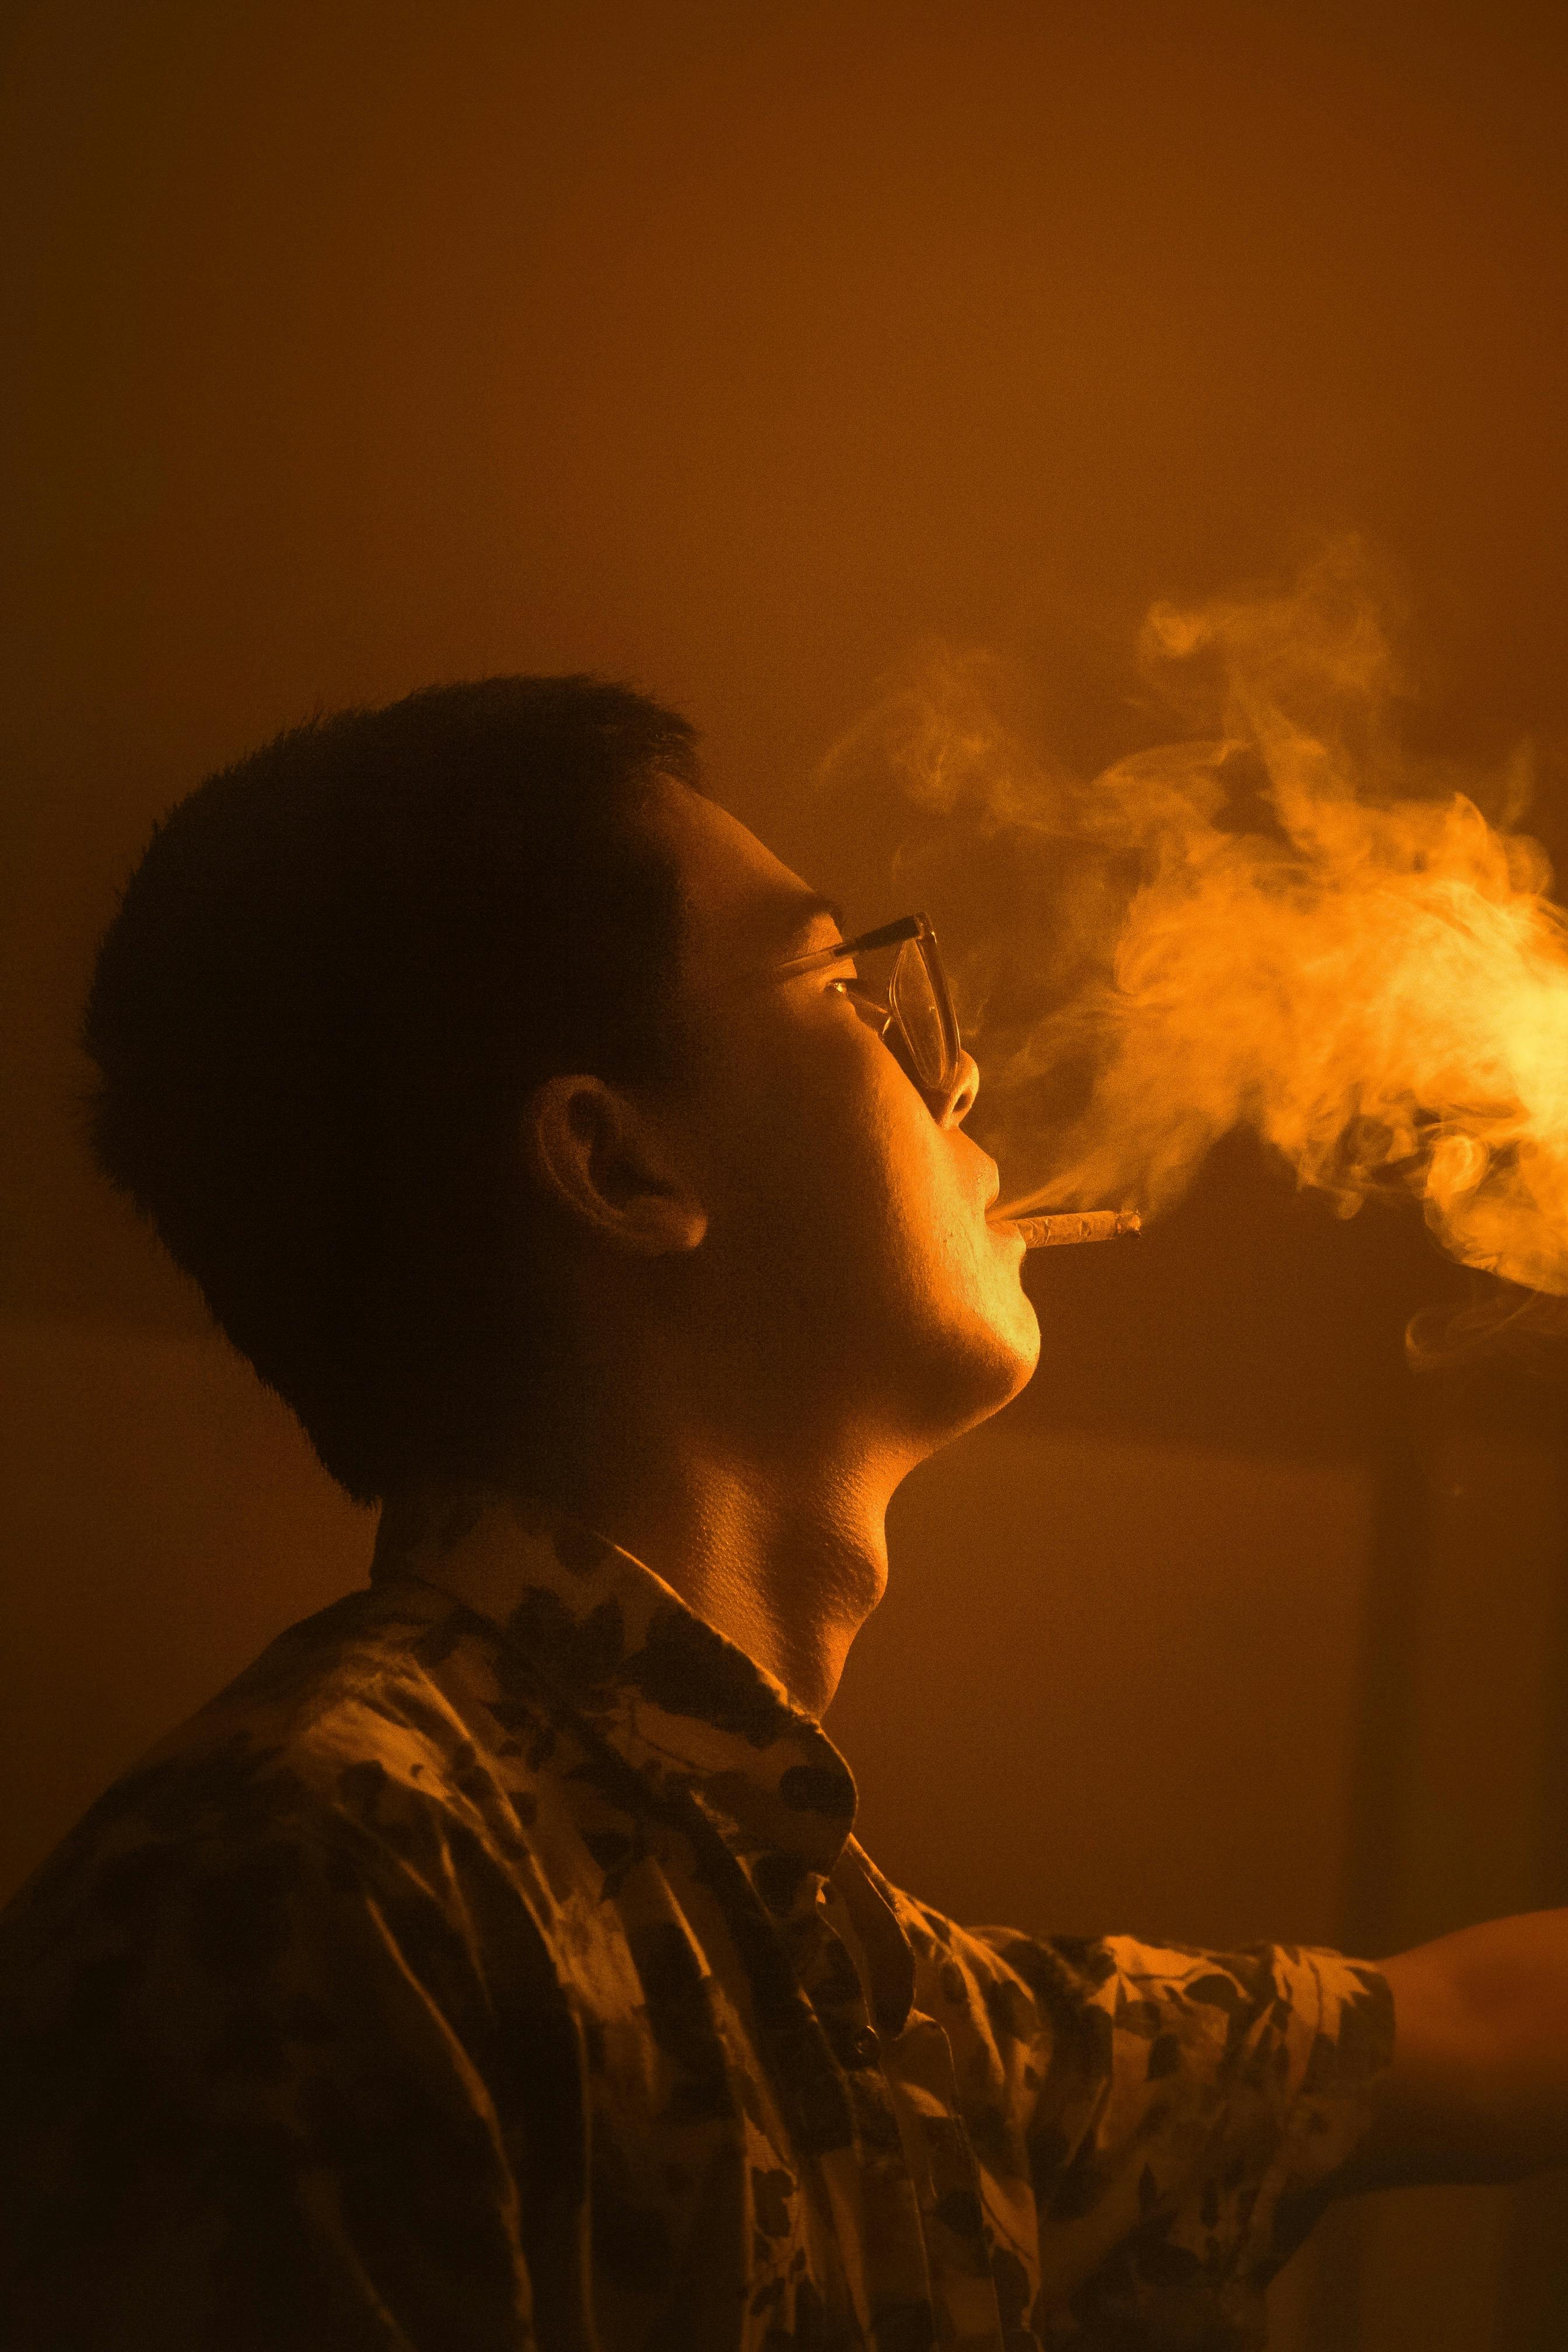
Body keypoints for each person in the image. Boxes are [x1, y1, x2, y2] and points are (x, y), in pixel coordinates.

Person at [0, 675, 1563, 2352]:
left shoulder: (853, 2003)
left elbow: (1477, 2035)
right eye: (845, 986)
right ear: (623, 1168)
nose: (957, 1074)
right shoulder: (317, 1889)